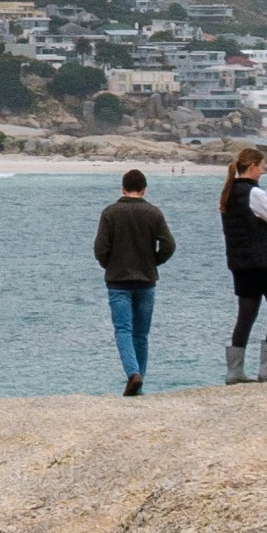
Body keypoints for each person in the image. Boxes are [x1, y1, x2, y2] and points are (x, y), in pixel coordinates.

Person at [92, 165, 173, 394]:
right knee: (141, 334)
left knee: (123, 331)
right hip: (146, 280)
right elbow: (169, 245)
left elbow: (100, 249)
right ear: (144, 190)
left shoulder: (110, 212)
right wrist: (153, 261)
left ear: (123, 188)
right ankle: (139, 381)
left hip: (118, 282)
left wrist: (111, 264)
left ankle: (132, 374)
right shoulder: (154, 213)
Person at [218, 144, 267, 382]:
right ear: (252, 166)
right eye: (262, 167)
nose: (263, 171)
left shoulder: (229, 192)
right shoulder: (254, 193)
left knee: (246, 316)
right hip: (265, 262)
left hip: (240, 263)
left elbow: (251, 217)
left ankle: (235, 371)